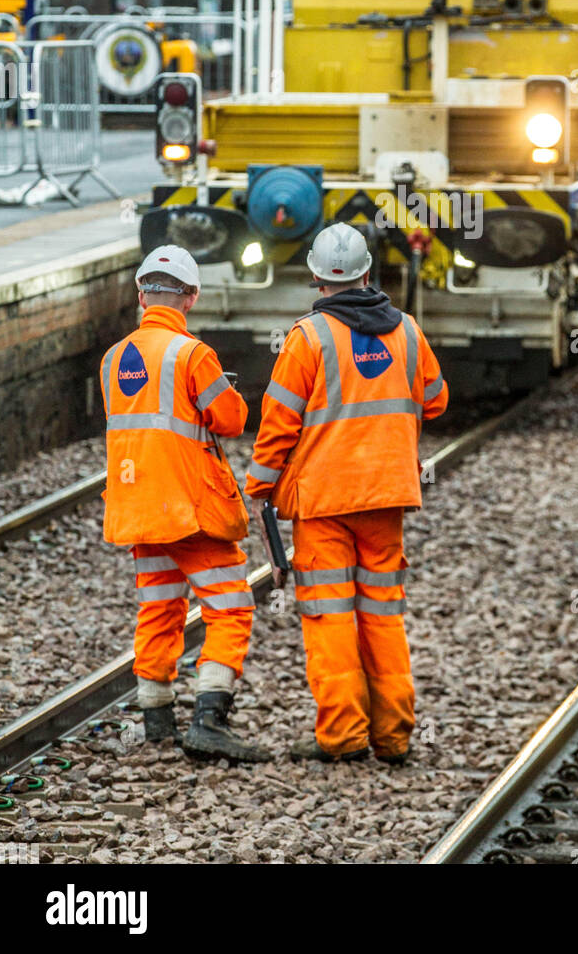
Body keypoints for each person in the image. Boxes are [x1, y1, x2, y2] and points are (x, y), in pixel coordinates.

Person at [244, 222, 448, 764]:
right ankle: (394, 736)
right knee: (382, 614)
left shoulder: (308, 339)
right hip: (386, 497)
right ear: (366, 272)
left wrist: (260, 485)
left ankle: (342, 736)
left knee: (331, 615)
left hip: (324, 503)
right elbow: (436, 400)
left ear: (315, 275)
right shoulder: (407, 330)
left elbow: (279, 422)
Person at [100, 244, 269, 764]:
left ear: (140, 293)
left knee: (159, 606)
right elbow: (230, 419)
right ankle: (208, 722)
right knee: (232, 608)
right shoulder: (191, 353)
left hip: (138, 508)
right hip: (191, 509)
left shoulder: (112, 359)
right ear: (191, 297)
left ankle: (156, 718)